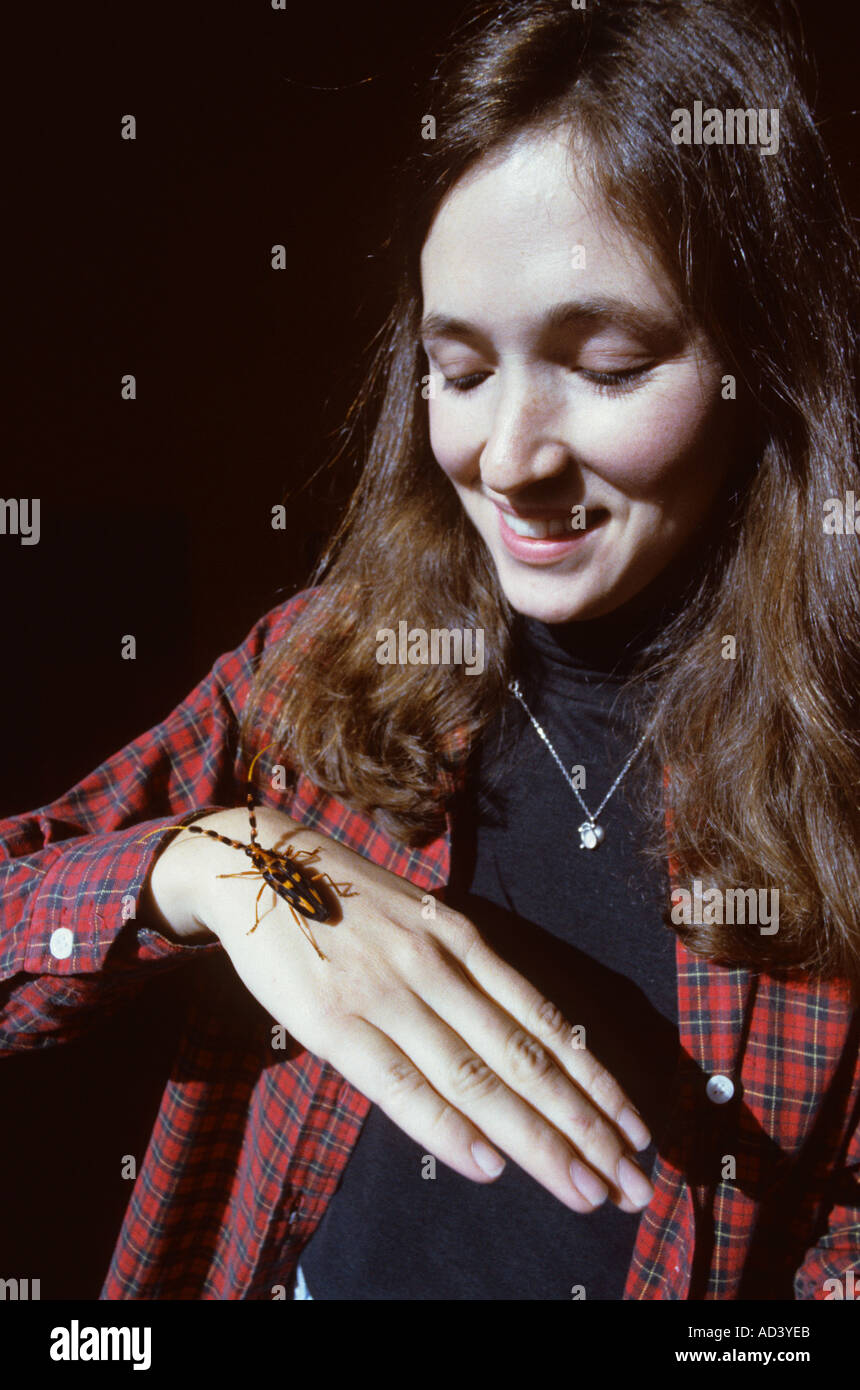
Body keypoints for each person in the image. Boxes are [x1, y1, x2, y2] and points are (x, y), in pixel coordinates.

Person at [2, 0, 858, 1301]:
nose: (510, 459)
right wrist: (220, 861)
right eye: (459, 370)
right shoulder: (318, 667)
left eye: (610, 364)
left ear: (767, 362)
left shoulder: (838, 768)